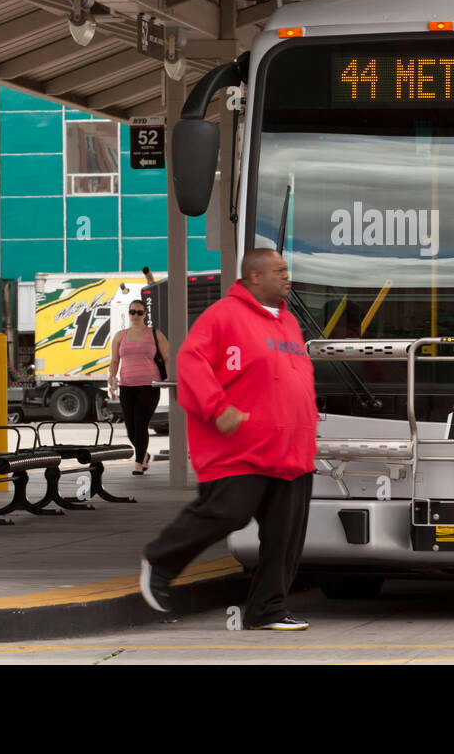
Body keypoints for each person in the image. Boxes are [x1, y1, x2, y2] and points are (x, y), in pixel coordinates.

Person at [139, 248, 318, 630]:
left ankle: (268, 610)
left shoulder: (288, 323)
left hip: (292, 450)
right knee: (227, 513)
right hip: (243, 448)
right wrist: (218, 408)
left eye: (286, 270)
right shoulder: (223, 315)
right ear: (254, 277)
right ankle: (160, 560)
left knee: (284, 538)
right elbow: (190, 362)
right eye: (279, 271)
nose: (287, 277)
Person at [109, 299, 170, 474]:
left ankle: (138, 463)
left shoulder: (155, 334)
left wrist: (169, 376)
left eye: (139, 312)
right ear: (129, 313)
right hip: (126, 385)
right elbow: (114, 360)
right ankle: (144, 454)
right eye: (132, 312)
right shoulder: (120, 335)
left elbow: (167, 357)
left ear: (145, 314)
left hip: (149, 385)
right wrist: (112, 376)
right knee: (130, 428)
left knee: (140, 423)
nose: (135, 315)